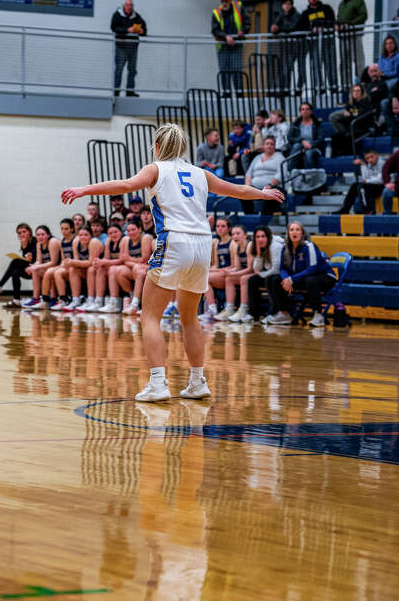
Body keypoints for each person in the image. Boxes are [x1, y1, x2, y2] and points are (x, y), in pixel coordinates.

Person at [61, 123, 284, 401]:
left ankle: (157, 383)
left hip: (174, 241)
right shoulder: (200, 173)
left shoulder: (156, 168)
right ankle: (197, 381)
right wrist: (263, 194)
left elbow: (126, 185)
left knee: (150, 315)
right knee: (190, 318)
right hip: (203, 243)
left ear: (157, 146)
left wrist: (84, 190)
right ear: (183, 147)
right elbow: (236, 190)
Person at [272, 221, 336, 327]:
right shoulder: (285, 248)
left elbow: (312, 269)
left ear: (302, 233)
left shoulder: (309, 246)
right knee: (275, 279)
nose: (294, 232)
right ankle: (284, 313)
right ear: (288, 233)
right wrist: (286, 279)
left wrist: (291, 279)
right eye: (291, 230)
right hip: (304, 278)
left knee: (310, 280)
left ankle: (318, 315)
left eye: (297, 230)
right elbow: (282, 268)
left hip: (325, 277)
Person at [103, 220, 154, 315]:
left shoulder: (146, 238)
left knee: (138, 270)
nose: (131, 232)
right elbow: (125, 261)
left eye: (133, 229)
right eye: (128, 230)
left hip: (149, 267)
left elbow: (145, 259)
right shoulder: (126, 240)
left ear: (140, 229)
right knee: (116, 270)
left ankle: (135, 304)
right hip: (136, 267)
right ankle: (126, 298)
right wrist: (134, 262)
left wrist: (131, 259)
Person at [0, 222, 36, 307]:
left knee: (15, 262)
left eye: (24, 232)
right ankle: (16, 300)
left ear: (29, 232)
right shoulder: (24, 243)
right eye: (19, 233)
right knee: (15, 271)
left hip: (37, 269)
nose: (22, 234)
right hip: (30, 269)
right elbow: (28, 259)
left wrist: (26, 249)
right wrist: (24, 246)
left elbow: (33, 258)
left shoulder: (35, 241)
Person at [214, 223, 253, 321]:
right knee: (229, 278)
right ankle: (229, 309)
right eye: (233, 234)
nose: (235, 236)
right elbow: (237, 267)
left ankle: (243, 309)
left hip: (254, 272)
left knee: (243, 279)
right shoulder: (236, 247)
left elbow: (250, 269)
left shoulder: (250, 245)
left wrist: (232, 273)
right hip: (244, 272)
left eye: (238, 233)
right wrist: (227, 271)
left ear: (245, 235)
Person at [201, 217, 236, 319]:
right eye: (218, 226)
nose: (220, 228)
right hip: (220, 273)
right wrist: (209, 269)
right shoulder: (217, 243)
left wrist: (218, 271)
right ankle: (211, 308)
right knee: (203, 275)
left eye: (223, 226)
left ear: (229, 229)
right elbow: (216, 264)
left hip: (229, 272)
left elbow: (234, 266)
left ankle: (212, 309)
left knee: (205, 278)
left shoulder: (232, 243)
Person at [110, 0, 146, 97]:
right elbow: (113, 28)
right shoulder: (117, 15)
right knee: (119, 69)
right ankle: (116, 92)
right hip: (121, 46)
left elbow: (144, 29)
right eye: (127, 5)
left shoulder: (137, 16)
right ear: (124, 6)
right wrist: (127, 30)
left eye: (131, 5)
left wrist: (142, 31)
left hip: (133, 48)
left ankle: (130, 92)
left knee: (132, 70)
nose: (129, 7)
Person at [211, 0, 245, 94]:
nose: (224, 3)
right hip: (222, 47)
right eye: (223, 1)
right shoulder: (216, 13)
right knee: (224, 70)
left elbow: (247, 23)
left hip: (236, 45)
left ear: (230, 2)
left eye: (226, 1)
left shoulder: (239, 9)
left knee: (236, 70)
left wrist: (242, 31)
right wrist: (226, 36)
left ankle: (239, 93)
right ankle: (226, 93)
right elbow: (215, 30)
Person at [243, 136, 286, 214]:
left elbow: (280, 174)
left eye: (272, 144)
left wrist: (270, 185)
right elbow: (249, 173)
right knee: (243, 193)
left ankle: (265, 220)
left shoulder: (280, 158)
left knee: (271, 194)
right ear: (263, 146)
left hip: (271, 187)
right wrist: (248, 186)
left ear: (274, 146)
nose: (269, 146)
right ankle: (251, 217)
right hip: (255, 187)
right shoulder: (257, 158)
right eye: (267, 144)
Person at [22, 224, 59, 308]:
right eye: (38, 235)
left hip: (57, 266)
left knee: (49, 271)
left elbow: (54, 262)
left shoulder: (53, 242)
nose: (40, 237)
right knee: (35, 270)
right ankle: (36, 298)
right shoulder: (39, 244)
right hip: (48, 267)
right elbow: (39, 260)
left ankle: (53, 298)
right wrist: (32, 267)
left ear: (48, 235)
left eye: (43, 234)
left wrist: (37, 267)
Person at [337, 150, 385, 214]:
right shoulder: (370, 165)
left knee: (362, 187)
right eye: (367, 158)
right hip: (374, 186)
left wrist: (368, 181)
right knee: (354, 185)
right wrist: (363, 165)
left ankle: (367, 210)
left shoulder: (382, 163)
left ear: (376, 155)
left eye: (371, 157)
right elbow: (365, 178)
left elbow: (380, 179)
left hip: (382, 186)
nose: (370, 160)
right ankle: (345, 209)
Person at [92, 222, 127, 312]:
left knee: (111, 269)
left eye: (115, 232)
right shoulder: (108, 241)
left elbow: (122, 260)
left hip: (126, 267)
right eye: (110, 233)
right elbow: (106, 258)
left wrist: (104, 262)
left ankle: (114, 303)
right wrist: (98, 262)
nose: (113, 235)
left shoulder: (124, 240)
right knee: (100, 269)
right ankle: (98, 301)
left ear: (121, 232)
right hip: (116, 267)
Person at [302, 0, 337, 76]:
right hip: (314, 43)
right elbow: (303, 26)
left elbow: (332, 21)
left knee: (330, 65)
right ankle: (319, 88)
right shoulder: (305, 13)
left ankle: (333, 88)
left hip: (328, 41)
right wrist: (312, 29)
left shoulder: (326, 8)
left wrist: (323, 27)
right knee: (316, 65)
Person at [336, 0, 367, 71]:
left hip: (354, 35)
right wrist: (337, 25)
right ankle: (346, 84)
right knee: (344, 62)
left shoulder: (359, 1)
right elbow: (339, 17)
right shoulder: (341, 4)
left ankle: (361, 84)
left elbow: (363, 15)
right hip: (343, 36)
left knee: (358, 61)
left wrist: (349, 24)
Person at [270, 0, 304, 75]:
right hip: (288, 45)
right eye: (285, 4)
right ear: (282, 6)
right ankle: (286, 86)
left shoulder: (296, 14)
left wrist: (278, 29)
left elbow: (292, 27)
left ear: (292, 5)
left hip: (299, 44)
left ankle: (300, 86)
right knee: (287, 67)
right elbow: (275, 25)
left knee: (301, 67)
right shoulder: (281, 15)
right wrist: (273, 27)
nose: (287, 6)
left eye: (289, 4)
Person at [286, 101, 323, 170]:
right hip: (299, 147)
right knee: (297, 145)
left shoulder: (317, 124)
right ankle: (289, 172)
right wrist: (302, 141)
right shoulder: (295, 124)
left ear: (311, 111)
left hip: (313, 147)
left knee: (308, 153)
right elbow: (289, 138)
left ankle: (309, 176)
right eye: (302, 109)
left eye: (307, 109)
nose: (305, 111)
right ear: (300, 112)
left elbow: (320, 139)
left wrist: (311, 144)